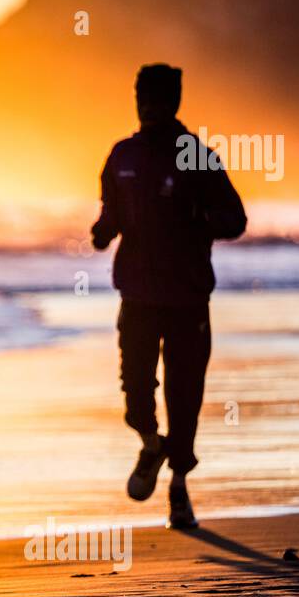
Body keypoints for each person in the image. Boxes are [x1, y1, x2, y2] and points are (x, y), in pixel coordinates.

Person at [90, 64, 246, 529]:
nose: (149, 104)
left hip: (187, 297)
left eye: (158, 96)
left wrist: (199, 219)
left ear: (174, 101)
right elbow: (111, 215)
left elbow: (235, 219)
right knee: (135, 387)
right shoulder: (121, 156)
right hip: (136, 295)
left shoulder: (197, 156)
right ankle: (150, 443)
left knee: (185, 394)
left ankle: (179, 487)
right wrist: (102, 232)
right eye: (143, 95)